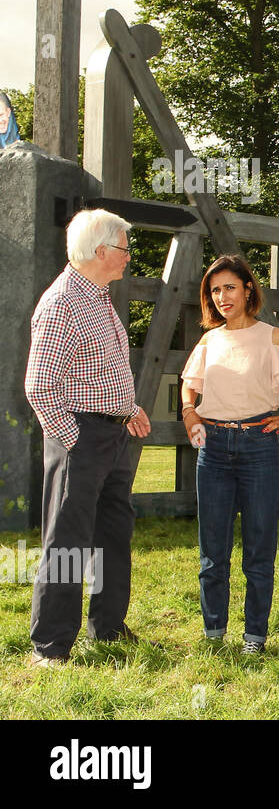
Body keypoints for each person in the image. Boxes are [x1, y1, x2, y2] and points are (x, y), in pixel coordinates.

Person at [24, 209, 152, 666]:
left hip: (111, 436)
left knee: (112, 534)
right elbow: (40, 385)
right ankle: (51, 647)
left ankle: (109, 628)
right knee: (67, 540)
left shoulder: (97, 298)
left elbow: (98, 374)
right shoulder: (62, 302)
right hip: (81, 436)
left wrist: (128, 409)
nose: (128, 257)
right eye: (124, 249)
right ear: (100, 251)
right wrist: (73, 440)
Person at [179, 255, 279, 655]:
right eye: (215, 290)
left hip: (259, 448)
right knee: (213, 550)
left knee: (259, 548)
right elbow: (188, 384)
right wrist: (190, 412)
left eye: (229, 287)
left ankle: (254, 638)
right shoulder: (209, 340)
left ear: (248, 290)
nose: (222, 297)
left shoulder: (273, 337)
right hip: (212, 450)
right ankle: (213, 633)